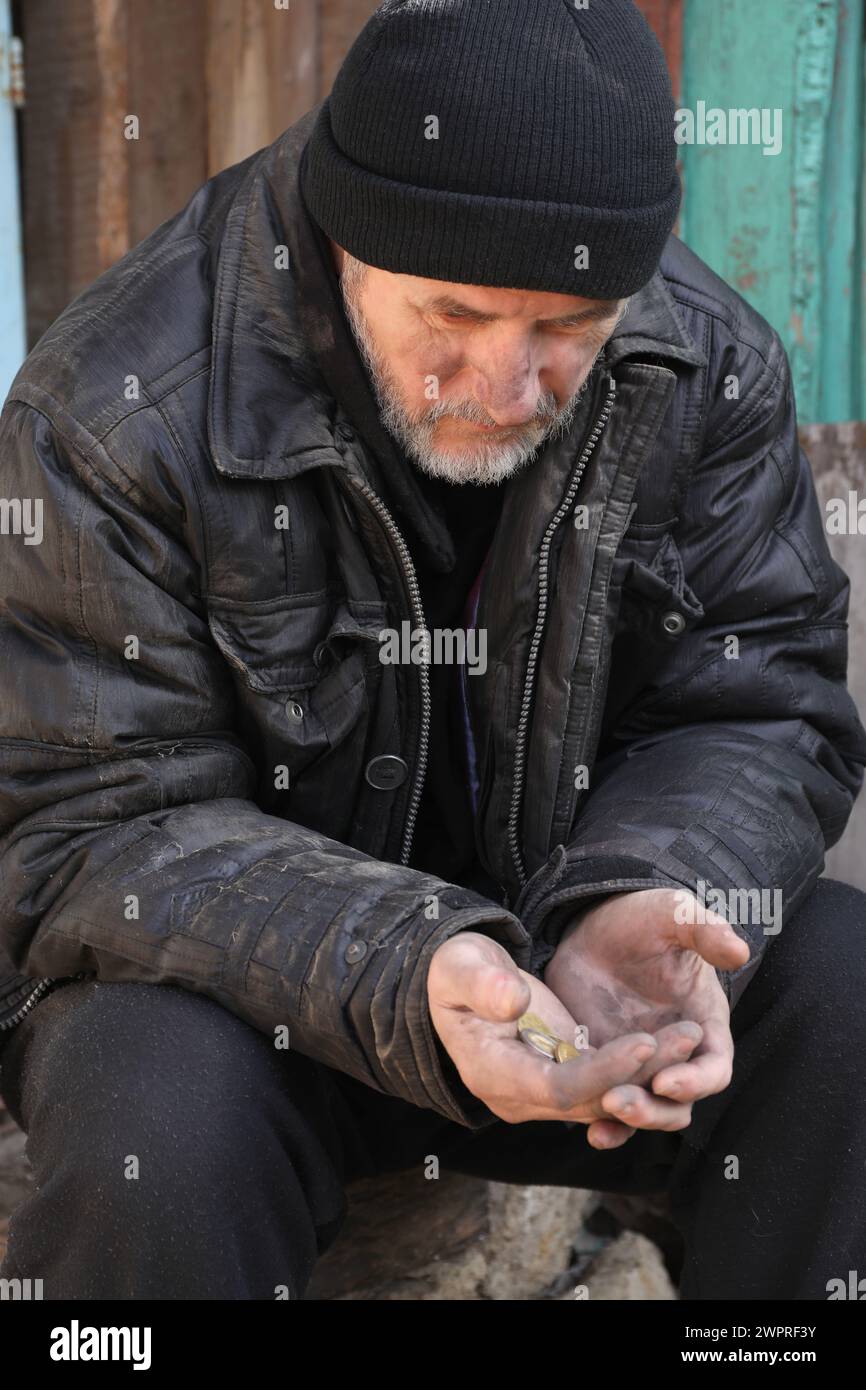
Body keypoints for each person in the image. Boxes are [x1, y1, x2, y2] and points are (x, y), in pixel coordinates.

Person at [1, 0, 864, 1301]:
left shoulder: (703, 359)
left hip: (573, 979)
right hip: (261, 1013)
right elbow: (90, 822)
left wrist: (638, 899)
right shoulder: (114, 408)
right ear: (350, 240)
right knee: (151, 1116)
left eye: (566, 327)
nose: (505, 382)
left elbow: (755, 705)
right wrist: (413, 961)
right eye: (453, 316)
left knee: (842, 997)